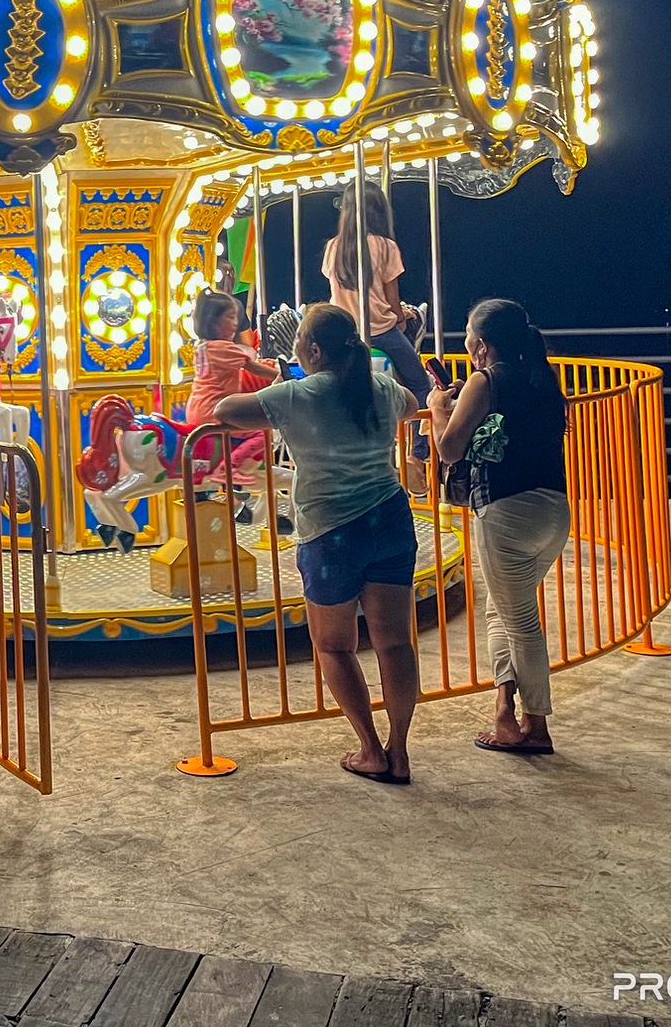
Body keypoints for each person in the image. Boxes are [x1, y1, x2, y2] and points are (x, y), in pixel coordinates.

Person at [216, 303, 420, 784]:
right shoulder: (381, 386)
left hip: (331, 533)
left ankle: (370, 748)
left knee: (334, 645)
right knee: (394, 643)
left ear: (310, 349)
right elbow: (412, 405)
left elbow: (225, 412)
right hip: (390, 519)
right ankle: (400, 749)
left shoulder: (295, 395)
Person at [428, 298, 571, 756]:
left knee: (522, 623)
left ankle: (538, 726)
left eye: (468, 332)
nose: (466, 340)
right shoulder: (542, 378)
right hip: (553, 511)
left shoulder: (484, 380)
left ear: (482, 345)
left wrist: (436, 409)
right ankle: (503, 711)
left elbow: (450, 450)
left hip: (506, 513)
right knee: (501, 612)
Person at [321, 181, 430, 400]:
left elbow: (335, 291)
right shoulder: (385, 246)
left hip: (343, 330)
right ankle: (421, 434)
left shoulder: (333, 246)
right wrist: (402, 318)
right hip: (379, 331)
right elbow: (392, 299)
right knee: (420, 383)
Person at [184, 291, 278, 429]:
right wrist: (283, 377)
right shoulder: (224, 348)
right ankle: (235, 452)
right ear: (214, 322)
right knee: (260, 432)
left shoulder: (202, 346)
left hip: (195, 408)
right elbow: (255, 368)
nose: (235, 323)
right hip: (215, 410)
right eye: (230, 317)